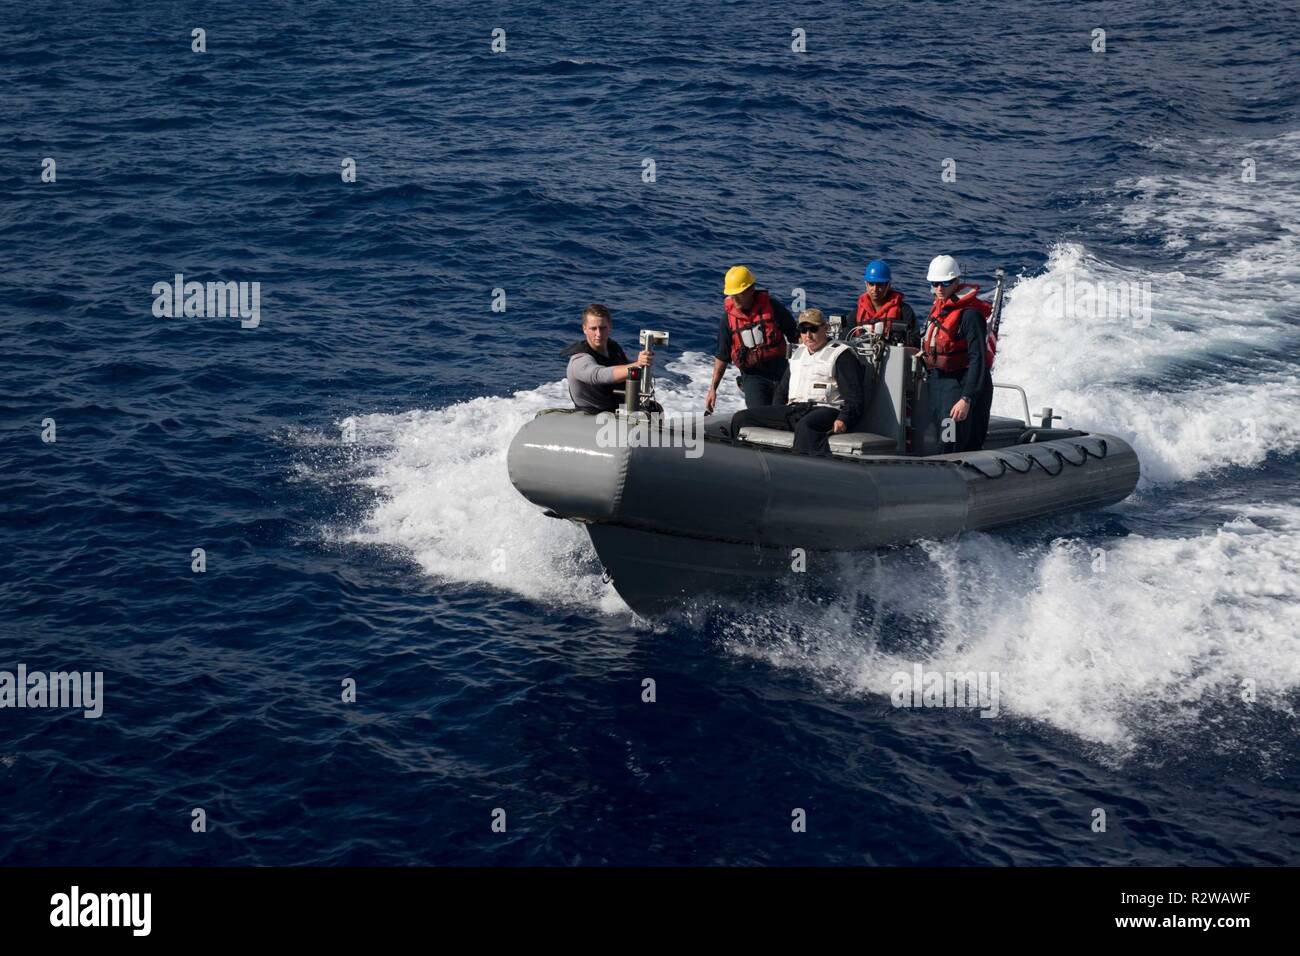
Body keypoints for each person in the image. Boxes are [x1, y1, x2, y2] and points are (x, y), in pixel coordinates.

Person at [726, 309, 865, 456]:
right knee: (742, 418)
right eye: (803, 330)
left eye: (813, 329)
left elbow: (854, 398)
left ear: (825, 328)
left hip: (827, 410)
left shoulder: (841, 355)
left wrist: (844, 419)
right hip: (795, 410)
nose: (808, 335)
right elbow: (782, 391)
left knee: (806, 426)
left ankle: (806, 468)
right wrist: (775, 413)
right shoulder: (798, 354)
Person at [920, 255, 993, 452]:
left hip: (964, 382)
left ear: (956, 282)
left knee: (950, 432)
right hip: (941, 381)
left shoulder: (969, 315)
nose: (939, 289)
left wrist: (967, 398)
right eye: (935, 284)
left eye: (945, 283)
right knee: (941, 428)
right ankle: (942, 460)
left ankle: (949, 464)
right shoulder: (938, 310)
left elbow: (978, 358)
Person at [705, 265, 799, 414]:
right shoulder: (727, 320)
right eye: (731, 294)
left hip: (781, 371)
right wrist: (713, 389)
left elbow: (796, 336)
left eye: (738, 294)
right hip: (753, 376)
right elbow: (722, 357)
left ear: (750, 290)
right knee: (759, 414)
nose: (733, 298)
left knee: (784, 412)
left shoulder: (773, 307)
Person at [563, 304, 652, 412]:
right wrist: (637, 365)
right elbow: (598, 375)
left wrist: (642, 363)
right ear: (584, 329)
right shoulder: (579, 359)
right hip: (591, 414)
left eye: (602, 328)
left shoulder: (613, 348)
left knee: (654, 408)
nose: (598, 334)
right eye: (593, 328)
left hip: (617, 409)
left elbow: (624, 366)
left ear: (610, 326)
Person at [854, 259, 918, 346]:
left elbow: (915, 340)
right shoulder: (857, 312)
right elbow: (845, 337)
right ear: (866, 284)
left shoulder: (904, 311)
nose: (875, 289)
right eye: (871, 284)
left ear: (888, 285)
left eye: (880, 284)